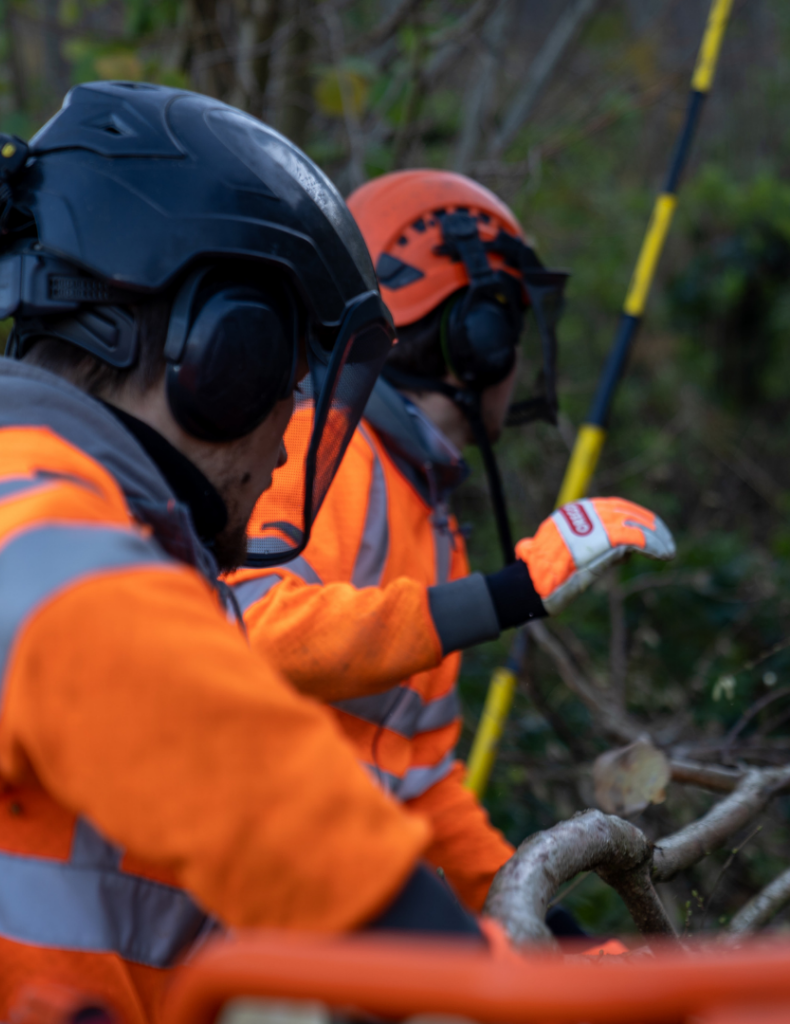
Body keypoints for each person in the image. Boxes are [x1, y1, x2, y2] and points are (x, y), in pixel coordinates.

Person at [0, 84, 490, 1024]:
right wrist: (412, 936)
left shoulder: (117, 536)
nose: (291, 444)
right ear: (222, 352)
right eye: (287, 389)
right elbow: (90, 640)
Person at [229, 170, 675, 916]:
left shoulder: (431, 521)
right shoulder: (319, 453)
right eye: (511, 330)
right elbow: (251, 632)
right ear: (478, 336)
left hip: (347, 895)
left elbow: (423, 783)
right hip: (254, 900)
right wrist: (507, 597)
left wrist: (537, 918)